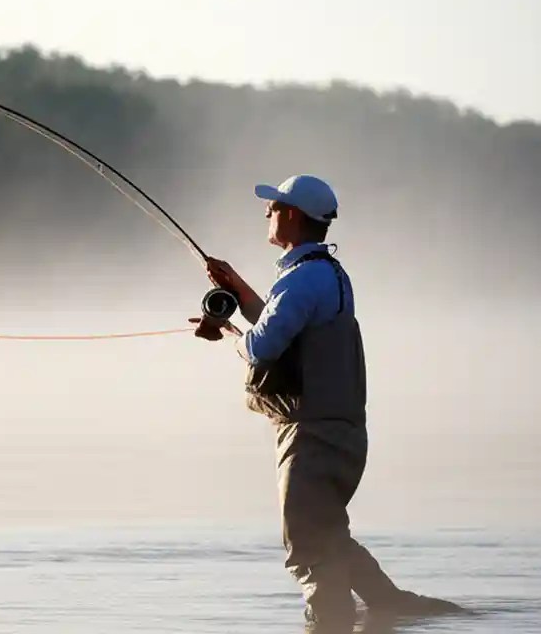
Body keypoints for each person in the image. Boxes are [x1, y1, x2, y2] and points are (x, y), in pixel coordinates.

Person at [188, 174, 465, 630]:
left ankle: (330, 624)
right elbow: (284, 329)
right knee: (331, 539)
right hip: (339, 432)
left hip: (312, 436)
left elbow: (262, 347)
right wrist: (237, 288)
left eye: (274, 207)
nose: (267, 213)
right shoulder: (324, 275)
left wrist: (225, 334)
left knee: (309, 546)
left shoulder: (302, 281)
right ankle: (396, 607)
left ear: (293, 215)